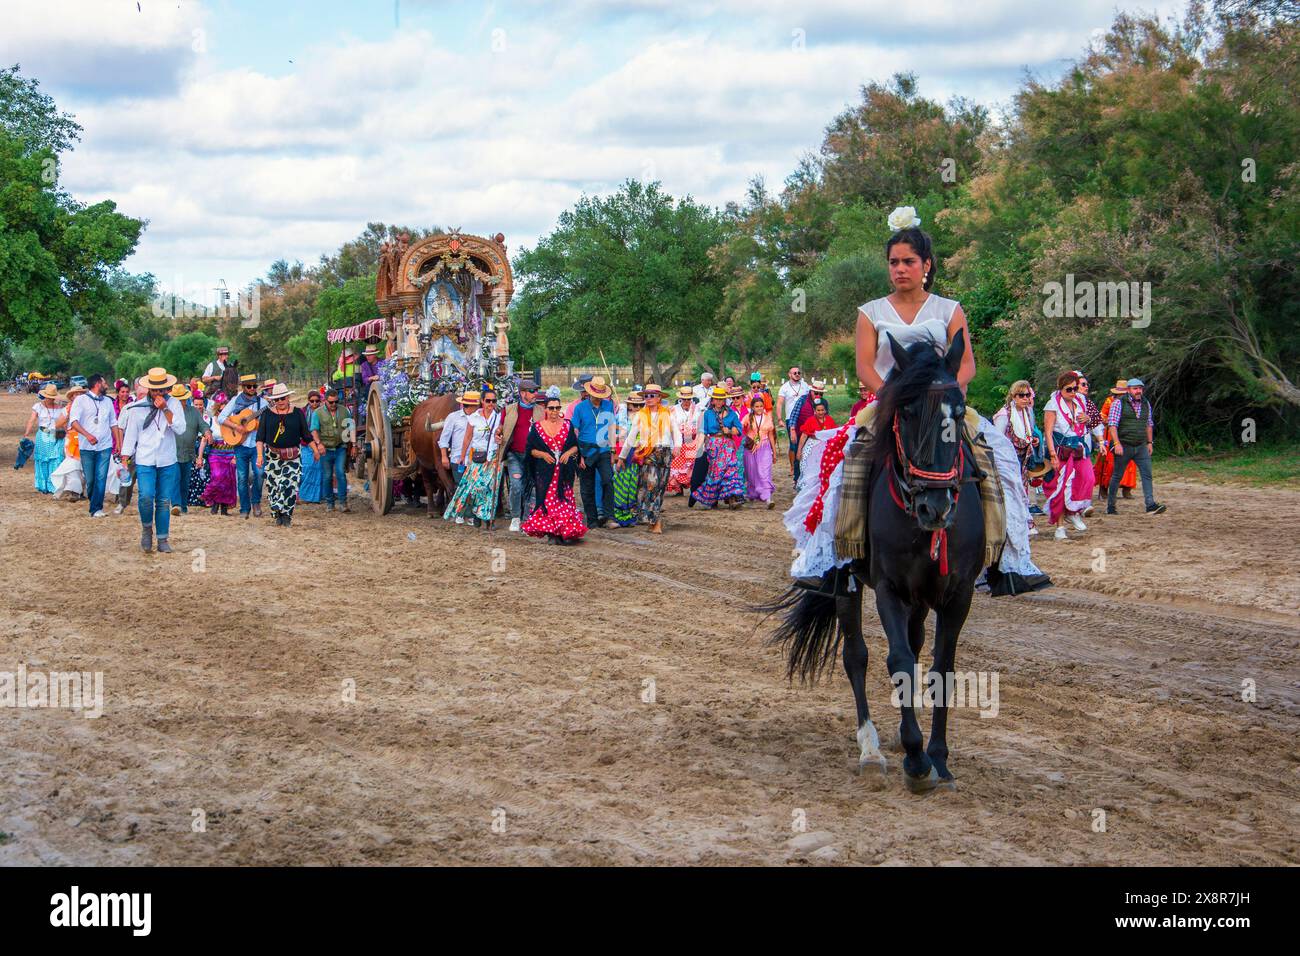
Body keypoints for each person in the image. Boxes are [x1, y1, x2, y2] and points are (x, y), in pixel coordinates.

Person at [851, 210, 1047, 591]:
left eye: (908, 261)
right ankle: (835, 558)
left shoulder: (949, 308)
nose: (900, 269)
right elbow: (864, 366)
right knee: (839, 461)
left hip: (944, 404)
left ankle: (1006, 561)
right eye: (894, 262)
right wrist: (893, 397)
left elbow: (967, 364)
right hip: (890, 403)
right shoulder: (869, 312)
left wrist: (944, 395)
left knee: (1000, 457)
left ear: (926, 264)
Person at [119, 368, 186, 552]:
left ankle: (163, 539)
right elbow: (131, 435)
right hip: (145, 459)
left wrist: (165, 408)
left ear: (167, 388)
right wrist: (125, 457)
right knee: (146, 497)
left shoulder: (174, 405)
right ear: (149, 389)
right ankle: (147, 528)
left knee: (164, 501)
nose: (158, 393)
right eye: (155, 389)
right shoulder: (137, 408)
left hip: (167, 459)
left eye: (162, 389)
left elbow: (180, 429)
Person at [521, 394, 587, 544]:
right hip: (545, 473)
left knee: (564, 501)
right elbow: (530, 450)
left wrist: (568, 453)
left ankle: (565, 531)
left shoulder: (568, 425)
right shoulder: (537, 427)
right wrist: (543, 454)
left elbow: (575, 446)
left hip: (564, 472)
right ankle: (552, 533)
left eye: (557, 408)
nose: (555, 411)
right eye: (551, 408)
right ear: (545, 408)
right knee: (548, 501)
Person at [1041, 371, 1099, 539]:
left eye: (1075, 388)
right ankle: (1060, 528)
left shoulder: (1080, 400)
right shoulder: (1052, 405)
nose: (1073, 392)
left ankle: (1073, 511)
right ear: (1061, 389)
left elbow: (1095, 420)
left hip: (1080, 448)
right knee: (1061, 488)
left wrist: (1087, 418)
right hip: (1061, 450)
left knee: (1088, 479)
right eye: (1069, 389)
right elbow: (1048, 432)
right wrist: (1052, 455)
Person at [256, 383, 318, 527]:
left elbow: (306, 435)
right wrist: (260, 456)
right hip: (273, 456)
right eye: (277, 399)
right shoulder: (267, 414)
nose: (280, 402)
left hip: (293, 456)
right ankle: (278, 514)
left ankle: (287, 515)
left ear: (288, 397)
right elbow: (260, 438)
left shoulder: (297, 413)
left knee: (289, 486)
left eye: (283, 398)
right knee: (274, 487)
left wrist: (315, 450)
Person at [443, 389, 505, 530]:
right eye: (488, 401)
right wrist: (462, 457)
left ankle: (489, 519)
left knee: (490, 489)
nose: (491, 404)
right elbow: (467, 438)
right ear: (482, 402)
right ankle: (476, 514)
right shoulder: (474, 418)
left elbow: (502, 434)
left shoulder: (499, 417)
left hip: (494, 457)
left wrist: (499, 437)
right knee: (475, 488)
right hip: (477, 456)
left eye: (494, 401)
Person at [1106, 378, 1166, 515]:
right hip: (1124, 444)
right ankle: (1111, 505)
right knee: (1117, 475)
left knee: (1147, 474)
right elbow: (1112, 425)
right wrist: (1116, 443)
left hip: (1140, 445)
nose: (1138, 391)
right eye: (1135, 388)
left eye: (1140, 388)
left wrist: (1150, 442)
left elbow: (1149, 424)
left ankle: (1150, 504)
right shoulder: (1118, 403)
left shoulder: (1146, 403)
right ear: (1128, 390)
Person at [992, 380, 1040, 536]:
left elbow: (1028, 433)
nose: (1025, 398)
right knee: (1011, 493)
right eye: (1022, 395)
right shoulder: (1004, 415)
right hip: (1007, 462)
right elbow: (997, 441)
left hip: (1022, 461)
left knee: (1022, 491)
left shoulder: (1026, 413)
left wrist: (1032, 440)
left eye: (1027, 395)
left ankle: (1023, 523)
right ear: (1013, 396)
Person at [218, 373, 268, 519]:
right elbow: (221, 418)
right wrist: (236, 426)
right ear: (243, 387)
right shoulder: (235, 400)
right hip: (240, 444)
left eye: (254, 386)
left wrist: (259, 426)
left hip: (257, 445)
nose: (252, 389)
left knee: (259, 474)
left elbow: (266, 423)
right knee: (242, 477)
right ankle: (244, 508)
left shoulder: (263, 404)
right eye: (249, 386)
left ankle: (256, 502)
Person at [570, 375, 618, 529]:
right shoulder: (580, 408)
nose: (598, 398)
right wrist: (579, 456)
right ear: (589, 393)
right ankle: (592, 520)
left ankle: (609, 516)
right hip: (585, 450)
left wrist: (613, 450)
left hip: (604, 449)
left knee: (608, 481)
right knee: (587, 486)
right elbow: (574, 431)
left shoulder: (608, 406)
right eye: (596, 395)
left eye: (600, 396)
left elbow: (611, 428)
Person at [693, 386, 745, 509]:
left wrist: (730, 430)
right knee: (715, 472)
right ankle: (712, 499)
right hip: (713, 445)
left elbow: (739, 430)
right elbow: (703, 431)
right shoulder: (707, 414)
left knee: (731, 470)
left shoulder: (731, 414)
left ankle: (732, 499)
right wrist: (699, 448)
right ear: (712, 400)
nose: (719, 402)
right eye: (716, 399)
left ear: (724, 401)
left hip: (727, 445)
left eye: (721, 399)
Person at [501, 378, 542, 532]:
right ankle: (516, 517)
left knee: (531, 488)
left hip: (533, 456)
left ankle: (527, 520)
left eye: (536, 391)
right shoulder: (509, 409)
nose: (535, 393)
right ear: (523, 393)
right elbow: (501, 428)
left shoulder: (540, 411)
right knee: (516, 486)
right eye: (532, 391)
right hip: (514, 455)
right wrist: (499, 434)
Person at [169, 382, 210, 517]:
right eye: (177, 399)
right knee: (175, 478)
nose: (180, 401)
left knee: (185, 480)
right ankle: (176, 504)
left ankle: (183, 505)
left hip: (188, 452)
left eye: (182, 398)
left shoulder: (193, 411)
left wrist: (207, 432)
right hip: (172, 452)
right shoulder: (168, 411)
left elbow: (203, 425)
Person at [311, 388, 353, 512]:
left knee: (340, 473)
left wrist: (354, 445)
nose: (334, 404)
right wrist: (319, 444)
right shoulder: (317, 413)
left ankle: (343, 502)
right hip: (326, 448)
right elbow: (314, 430)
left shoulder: (345, 411)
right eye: (331, 402)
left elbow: (351, 427)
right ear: (325, 401)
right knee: (327, 476)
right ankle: (330, 503)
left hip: (340, 447)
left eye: (336, 402)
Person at [1096, 378, 1137, 500]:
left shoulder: (1134, 403)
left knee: (1130, 461)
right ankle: (1104, 489)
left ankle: (1127, 489)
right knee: (1109, 461)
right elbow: (1102, 415)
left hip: (1128, 434)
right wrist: (1109, 420)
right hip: (1111, 434)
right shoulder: (1109, 401)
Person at [610, 391, 645, 526]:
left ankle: (631, 515)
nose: (636, 408)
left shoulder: (645, 418)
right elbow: (612, 433)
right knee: (620, 483)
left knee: (633, 484)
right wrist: (615, 453)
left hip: (637, 454)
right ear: (629, 404)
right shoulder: (619, 417)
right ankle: (619, 515)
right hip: (621, 452)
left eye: (640, 405)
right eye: (634, 405)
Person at [23, 383, 64, 494]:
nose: (50, 399)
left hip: (56, 435)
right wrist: (26, 433)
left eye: (52, 398)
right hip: (43, 435)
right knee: (42, 460)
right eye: (48, 397)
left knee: (55, 459)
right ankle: (43, 485)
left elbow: (63, 422)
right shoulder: (38, 406)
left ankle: (53, 485)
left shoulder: (60, 408)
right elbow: (32, 420)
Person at [202, 392, 238, 516]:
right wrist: (200, 456)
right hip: (216, 453)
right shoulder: (211, 420)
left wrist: (236, 455)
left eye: (225, 405)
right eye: (221, 405)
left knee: (228, 481)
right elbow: (204, 438)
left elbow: (239, 438)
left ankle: (223, 507)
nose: (223, 407)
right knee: (217, 476)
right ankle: (211, 499)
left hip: (230, 452)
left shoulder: (233, 420)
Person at [742, 390, 777, 508]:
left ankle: (768, 498)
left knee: (764, 471)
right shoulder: (748, 417)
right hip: (751, 448)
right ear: (752, 407)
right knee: (752, 472)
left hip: (765, 446)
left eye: (761, 406)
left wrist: (774, 452)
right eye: (756, 406)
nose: (759, 408)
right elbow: (740, 429)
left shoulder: (767, 418)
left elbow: (771, 435)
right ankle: (752, 494)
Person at [777, 366, 811, 485]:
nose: (797, 374)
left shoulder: (805, 385)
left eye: (798, 372)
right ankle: (793, 468)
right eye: (794, 373)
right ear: (789, 374)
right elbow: (780, 403)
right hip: (791, 419)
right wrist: (780, 418)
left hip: (805, 419)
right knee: (794, 444)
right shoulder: (784, 387)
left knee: (806, 444)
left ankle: (804, 470)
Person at [668, 386, 702, 496]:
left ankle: (690, 485)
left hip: (692, 442)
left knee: (690, 465)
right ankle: (678, 487)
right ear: (680, 399)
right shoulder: (673, 410)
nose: (687, 401)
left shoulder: (697, 409)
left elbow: (700, 426)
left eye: (689, 399)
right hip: (678, 441)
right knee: (676, 464)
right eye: (684, 399)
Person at [439, 392, 479, 485]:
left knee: (474, 488)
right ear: (471, 406)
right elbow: (444, 438)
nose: (478, 408)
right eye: (477, 406)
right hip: (458, 459)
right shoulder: (453, 417)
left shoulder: (480, 417)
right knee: (460, 486)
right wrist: (444, 457)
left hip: (476, 459)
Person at [796, 396, 837, 474]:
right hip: (812, 446)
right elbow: (803, 436)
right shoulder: (810, 420)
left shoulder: (829, 420)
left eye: (822, 410)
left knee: (823, 469)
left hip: (826, 447)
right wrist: (799, 451)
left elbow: (834, 435)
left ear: (825, 410)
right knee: (810, 469)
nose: (820, 412)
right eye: (818, 410)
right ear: (814, 410)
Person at [297, 389, 324, 504]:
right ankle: (304, 495)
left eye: (317, 401)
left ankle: (315, 497)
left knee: (318, 470)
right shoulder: (302, 412)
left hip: (319, 444)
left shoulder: (323, 412)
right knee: (306, 468)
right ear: (308, 401)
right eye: (312, 401)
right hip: (305, 444)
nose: (314, 403)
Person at [189, 390, 211, 508]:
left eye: (200, 404)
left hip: (204, 446)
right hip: (191, 446)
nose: (198, 407)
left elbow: (205, 435)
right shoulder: (189, 416)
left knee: (205, 473)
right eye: (196, 404)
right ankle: (192, 498)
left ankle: (204, 498)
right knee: (192, 473)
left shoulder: (207, 418)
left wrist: (200, 455)